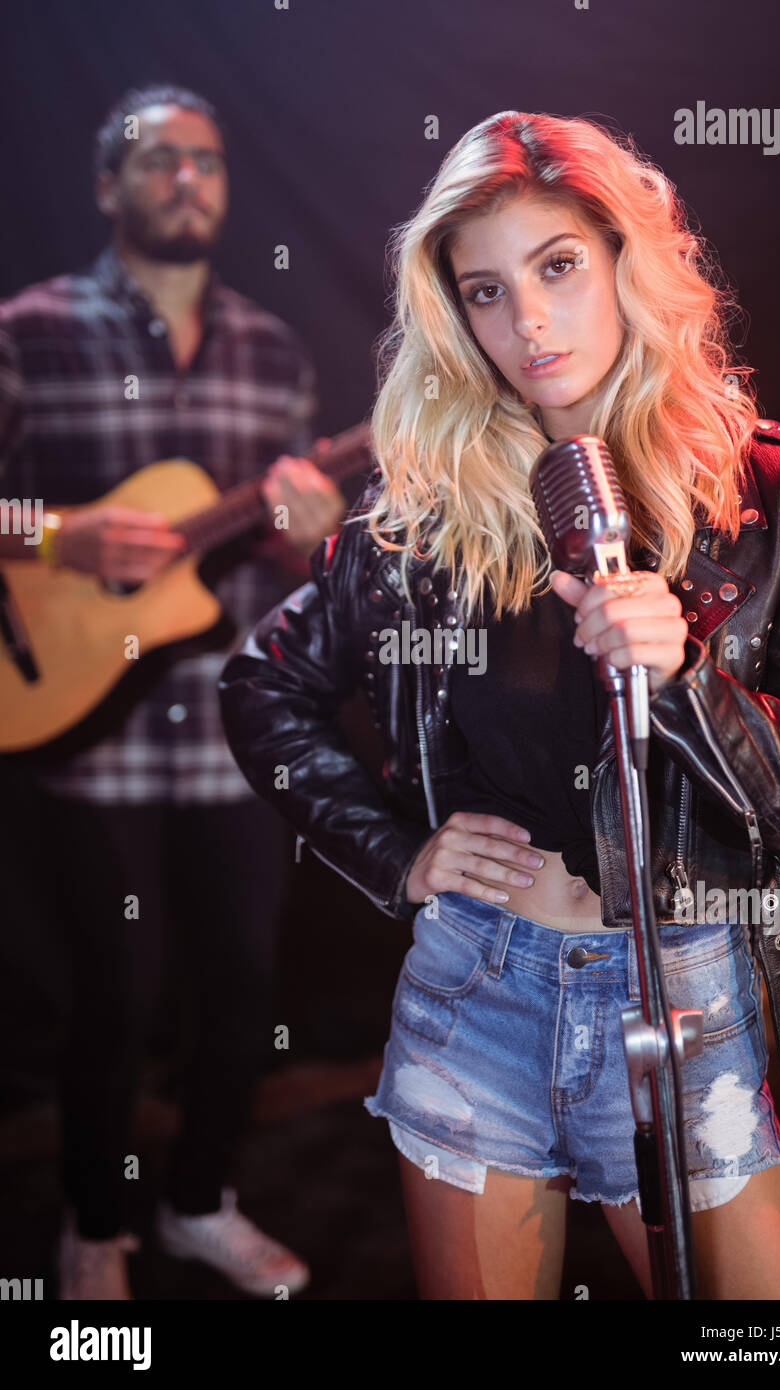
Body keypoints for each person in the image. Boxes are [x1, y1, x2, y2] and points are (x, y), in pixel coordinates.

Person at [217, 111, 780, 1300]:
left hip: (677, 986)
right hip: (478, 987)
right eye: (483, 289)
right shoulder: (418, 515)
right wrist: (396, 854)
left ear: (627, 259)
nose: (524, 322)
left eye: (557, 267)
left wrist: (685, 681)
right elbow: (262, 683)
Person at [0, 84, 346, 1299]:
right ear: (108, 186)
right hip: (88, 735)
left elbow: (303, 559)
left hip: (235, 731)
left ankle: (200, 1198)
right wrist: (58, 537)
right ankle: (95, 1225)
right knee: (114, 992)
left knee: (243, 982)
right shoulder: (27, 330)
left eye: (205, 162)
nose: (186, 179)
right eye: (158, 162)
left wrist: (321, 536)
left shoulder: (274, 350)